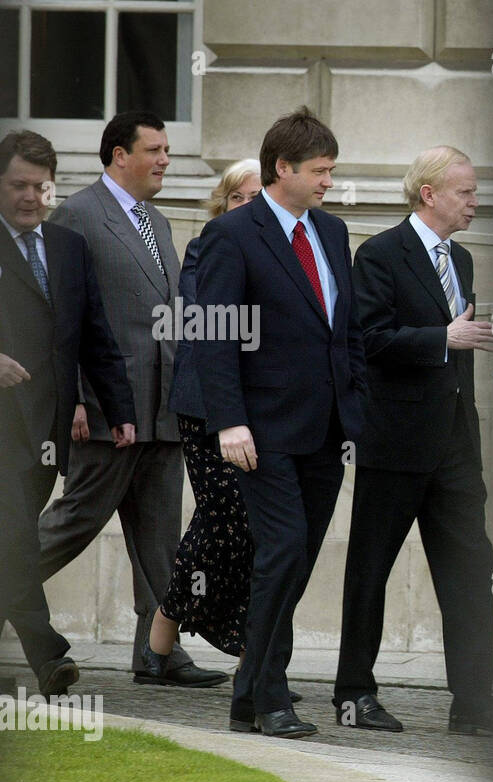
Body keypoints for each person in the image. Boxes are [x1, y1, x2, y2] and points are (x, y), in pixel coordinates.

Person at [194, 107, 368, 738]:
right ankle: (270, 697)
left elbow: (342, 330)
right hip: (260, 431)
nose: (328, 181)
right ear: (282, 168)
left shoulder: (333, 231)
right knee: (282, 549)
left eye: (331, 170)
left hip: (325, 429)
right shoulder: (233, 235)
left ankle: (248, 694)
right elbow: (211, 336)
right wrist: (228, 422)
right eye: (320, 171)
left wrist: (355, 405)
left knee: (294, 560)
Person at [39, 111, 225, 689]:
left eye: (170, 149)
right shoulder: (77, 214)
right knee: (74, 523)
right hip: (105, 413)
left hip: (163, 411)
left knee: (161, 540)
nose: (166, 159)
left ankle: (158, 652)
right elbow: (58, 318)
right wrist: (72, 399)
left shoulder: (158, 221)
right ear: (119, 154)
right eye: (155, 149)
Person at [336, 147, 493, 735]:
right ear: (429, 193)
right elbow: (370, 339)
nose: (475, 201)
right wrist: (443, 337)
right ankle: (355, 693)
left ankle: (474, 703)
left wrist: (452, 340)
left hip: (456, 445)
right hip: (395, 441)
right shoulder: (380, 254)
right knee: (370, 570)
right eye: (465, 191)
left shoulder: (460, 259)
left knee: (470, 569)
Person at [144, 160, 309, 698]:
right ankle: (170, 635)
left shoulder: (289, 245)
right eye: (241, 198)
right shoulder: (212, 244)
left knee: (256, 526)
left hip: (261, 407)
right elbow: (209, 320)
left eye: (259, 197)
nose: (251, 207)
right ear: (225, 202)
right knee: (222, 516)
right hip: (207, 405)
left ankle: (243, 653)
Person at [0, 130, 137, 697]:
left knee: (12, 542)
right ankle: (48, 654)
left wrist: (120, 409)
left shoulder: (66, 247)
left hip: (47, 433)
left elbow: (95, 336)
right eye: (17, 185)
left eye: (40, 185)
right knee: (16, 542)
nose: (30, 196)